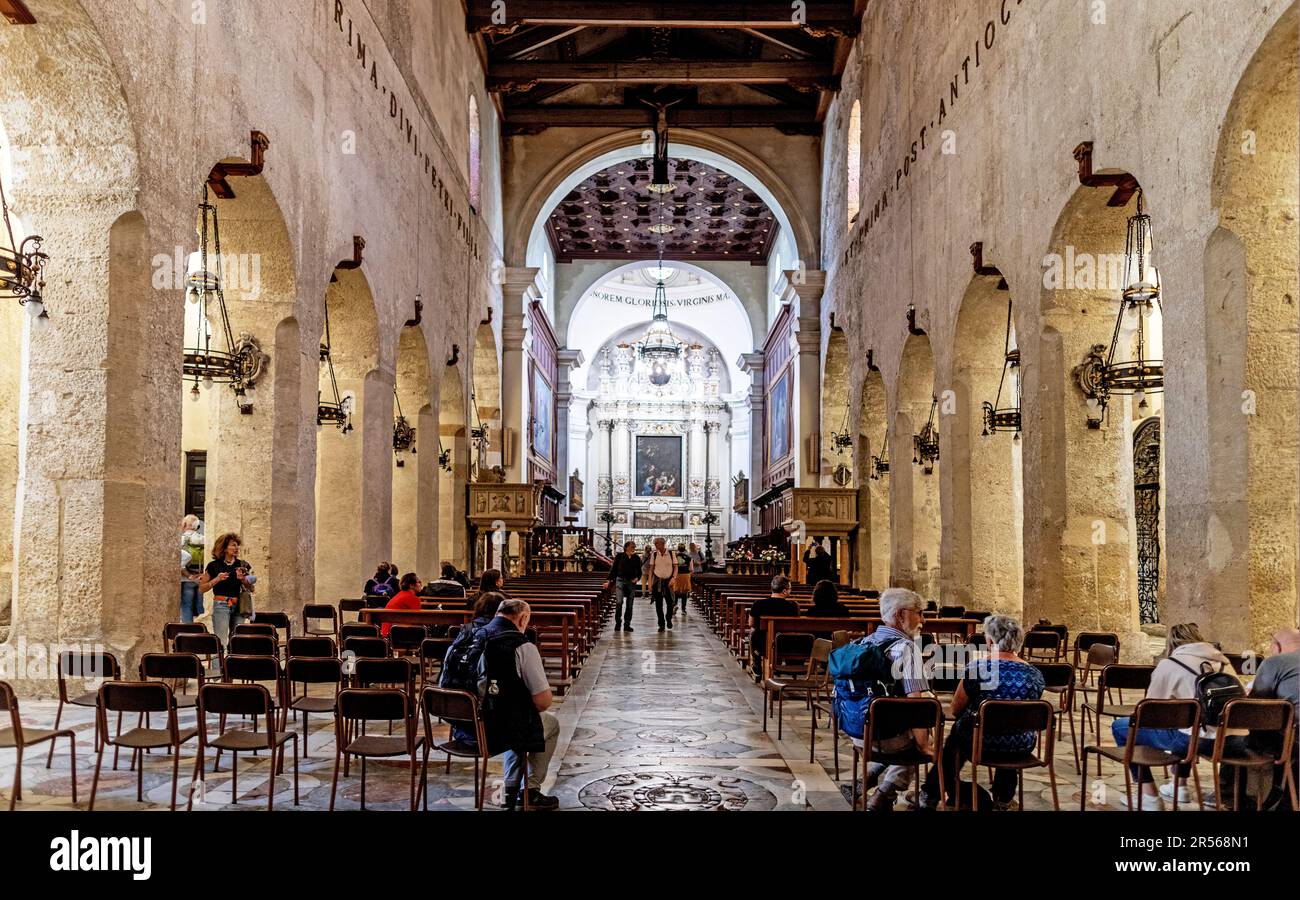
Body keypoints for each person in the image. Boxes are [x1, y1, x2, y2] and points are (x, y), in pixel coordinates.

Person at [1111, 623, 1244, 809]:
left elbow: (1150, 712)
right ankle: (1178, 786)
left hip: (1199, 741)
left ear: (1171, 643)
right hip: (1234, 740)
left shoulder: (1169, 665)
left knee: (1123, 727)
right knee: (1185, 726)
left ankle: (1148, 795)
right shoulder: (1223, 663)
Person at [919, 615, 1045, 810]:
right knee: (1012, 728)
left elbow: (955, 708)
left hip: (980, 744)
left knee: (958, 735)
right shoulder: (1034, 674)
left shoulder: (977, 668)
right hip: (1021, 745)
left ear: (989, 640)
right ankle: (1004, 798)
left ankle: (931, 794)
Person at [833, 587, 932, 812]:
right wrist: (925, 745)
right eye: (919, 612)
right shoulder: (907, 649)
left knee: (899, 727)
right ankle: (883, 795)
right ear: (900, 615)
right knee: (921, 737)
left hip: (858, 733)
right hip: (886, 738)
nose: (923, 620)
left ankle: (863, 781)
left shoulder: (862, 643)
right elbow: (916, 704)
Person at [478, 599, 560, 810]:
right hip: (497, 731)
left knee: (511, 715)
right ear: (523, 618)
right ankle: (530, 790)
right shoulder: (521, 645)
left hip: (465, 728)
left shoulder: (468, 635)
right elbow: (543, 701)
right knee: (546, 723)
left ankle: (509, 788)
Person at [1247, 627, 1299, 810]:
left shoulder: (1275, 662)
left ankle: (1243, 799)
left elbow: (1255, 704)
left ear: (1276, 646)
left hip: (1293, 740)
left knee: (1239, 742)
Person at [198, 532, 255, 646]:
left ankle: (233, 664)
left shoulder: (242, 565)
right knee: (221, 642)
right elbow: (202, 588)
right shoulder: (213, 565)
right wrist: (217, 579)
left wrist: (243, 579)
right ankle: (218, 664)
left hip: (238, 605)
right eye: (233, 545)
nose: (236, 548)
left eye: (237, 545)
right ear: (224, 548)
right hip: (222, 604)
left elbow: (252, 588)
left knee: (237, 641)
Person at [747, 575, 799, 675]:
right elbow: (795, 625)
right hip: (785, 643)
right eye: (790, 589)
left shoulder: (758, 604)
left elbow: (751, 624)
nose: (790, 591)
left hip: (763, 644)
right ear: (784, 591)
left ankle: (757, 665)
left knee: (753, 633)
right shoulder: (793, 606)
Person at [609, 541, 643, 632]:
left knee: (630, 604)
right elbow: (614, 569)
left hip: (631, 582)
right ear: (626, 547)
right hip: (620, 581)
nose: (634, 548)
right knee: (619, 602)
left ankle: (627, 624)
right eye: (632, 546)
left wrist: (637, 578)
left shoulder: (636, 558)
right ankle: (618, 623)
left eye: (634, 546)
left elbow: (639, 571)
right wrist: (609, 581)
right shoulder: (620, 556)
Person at [380, 572, 423, 637]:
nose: (421, 584)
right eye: (419, 582)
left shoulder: (400, 594)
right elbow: (418, 620)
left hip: (387, 632)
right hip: (398, 632)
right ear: (411, 585)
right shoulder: (413, 598)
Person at [647, 537, 677, 631]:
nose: (656, 546)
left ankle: (668, 618)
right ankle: (661, 624)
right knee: (658, 604)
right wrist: (650, 583)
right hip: (657, 581)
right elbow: (651, 570)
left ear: (663, 544)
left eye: (657, 544)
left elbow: (675, 567)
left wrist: (674, 578)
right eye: (655, 544)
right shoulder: (654, 554)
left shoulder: (671, 554)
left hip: (669, 581)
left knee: (670, 602)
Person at [179, 514, 205, 624]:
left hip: (187, 578)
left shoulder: (181, 539)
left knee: (186, 605)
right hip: (202, 577)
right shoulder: (203, 538)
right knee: (201, 607)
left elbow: (179, 561)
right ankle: (203, 628)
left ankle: (188, 630)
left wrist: (189, 576)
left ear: (184, 524)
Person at [674, 542, 692, 616]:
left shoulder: (675, 556)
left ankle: (674, 605)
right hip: (685, 575)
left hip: (677, 575)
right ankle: (683, 610)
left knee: (675, 591)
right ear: (684, 549)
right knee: (684, 592)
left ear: (678, 548)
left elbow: (673, 567)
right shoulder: (688, 557)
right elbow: (691, 568)